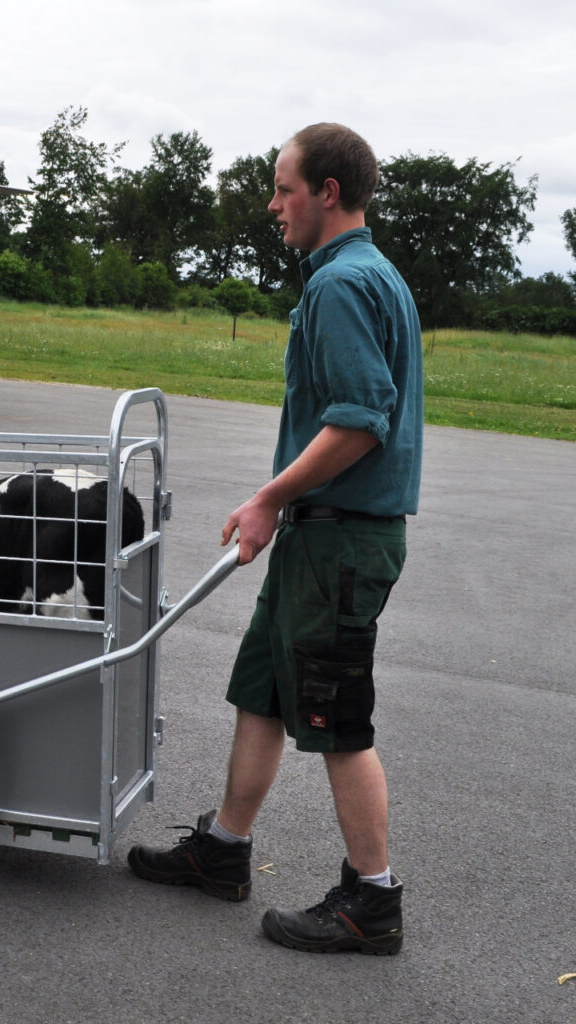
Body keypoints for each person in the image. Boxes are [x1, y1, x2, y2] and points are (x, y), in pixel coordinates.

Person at [128, 123, 423, 956]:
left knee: (339, 719)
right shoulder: (372, 275)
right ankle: (223, 850)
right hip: (321, 538)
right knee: (261, 686)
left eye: (283, 187)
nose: (274, 204)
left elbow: (362, 421)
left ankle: (373, 901)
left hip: (340, 543)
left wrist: (267, 498)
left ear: (327, 191)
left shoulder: (340, 286)